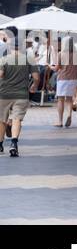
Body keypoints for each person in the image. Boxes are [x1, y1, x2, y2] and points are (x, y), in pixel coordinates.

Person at [0, 27, 35, 157]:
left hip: (4, 93)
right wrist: (34, 86)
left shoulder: (4, 56)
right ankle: (14, 143)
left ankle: (0, 145)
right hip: (21, 94)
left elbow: (1, 75)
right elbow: (36, 77)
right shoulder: (28, 58)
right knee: (16, 119)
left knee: (1, 119)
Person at [51, 36, 77, 128]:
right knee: (69, 99)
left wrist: (50, 67)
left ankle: (60, 121)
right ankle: (69, 115)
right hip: (74, 79)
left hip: (63, 79)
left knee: (60, 100)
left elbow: (56, 68)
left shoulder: (61, 54)